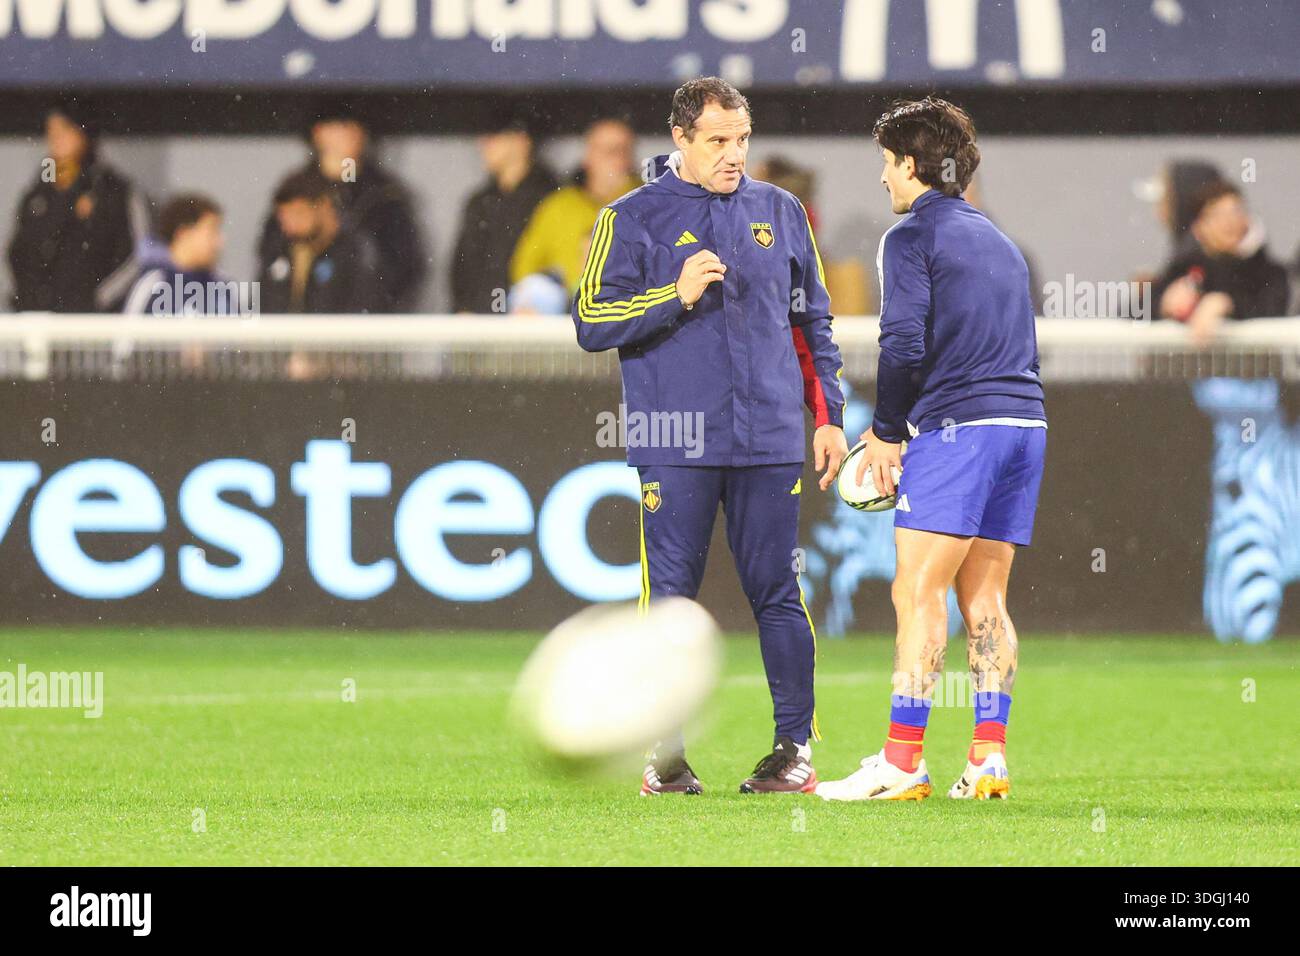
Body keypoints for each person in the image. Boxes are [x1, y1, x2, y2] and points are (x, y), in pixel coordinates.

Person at [571, 77, 848, 796]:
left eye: (742, 139)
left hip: (769, 439)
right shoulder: (629, 217)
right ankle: (665, 755)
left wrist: (830, 418)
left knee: (777, 592)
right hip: (674, 440)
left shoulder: (780, 211)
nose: (734, 155)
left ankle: (793, 751)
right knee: (669, 603)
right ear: (681, 141)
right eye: (718, 141)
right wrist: (675, 293)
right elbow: (590, 321)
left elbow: (811, 323)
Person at [816, 97, 1046, 803]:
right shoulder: (997, 239)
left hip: (960, 430)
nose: (883, 178)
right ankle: (987, 759)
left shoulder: (912, 236)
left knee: (917, 591)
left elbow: (904, 342)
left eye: (888, 162)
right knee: (987, 598)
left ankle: (902, 760)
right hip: (1024, 426)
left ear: (912, 165)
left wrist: (888, 431)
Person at [258, 103, 425, 312]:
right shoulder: (294, 190)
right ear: (316, 133)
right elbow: (270, 255)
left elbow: (404, 265)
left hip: (361, 323)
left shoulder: (384, 194)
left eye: (348, 127)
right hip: (298, 320)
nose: (342, 136)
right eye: (333, 127)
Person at [7, 99, 149, 313]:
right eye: (50, 131)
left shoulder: (115, 191)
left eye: (64, 129)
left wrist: (96, 301)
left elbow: (139, 257)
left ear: (84, 133)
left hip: (91, 328)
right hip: (36, 323)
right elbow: (13, 253)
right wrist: (22, 300)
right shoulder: (37, 193)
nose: (56, 138)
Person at [511, 117, 642, 299]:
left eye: (621, 150)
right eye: (605, 150)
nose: (614, 158)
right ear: (588, 155)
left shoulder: (650, 204)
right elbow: (524, 268)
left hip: (630, 310)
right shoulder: (558, 206)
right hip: (564, 316)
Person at [1153, 180, 1291, 344]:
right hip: (1189, 368)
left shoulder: (1270, 272)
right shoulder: (1183, 269)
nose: (1229, 222)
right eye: (1217, 214)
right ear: (1199, 227)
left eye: (1235, 212)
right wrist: (1164, 304)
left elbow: (1272, 310)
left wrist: (1227, 304)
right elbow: (1135, 310)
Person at [451, 114, 558, 314]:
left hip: (531, 323)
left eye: (494, 136)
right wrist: (463, 308)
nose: (483, 144)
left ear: (521, 142)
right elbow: (462, 269)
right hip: (479, 323)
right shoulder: (479, 202)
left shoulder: (551, 198)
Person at [258, 169, 382, 314]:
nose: (290, 225)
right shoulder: (279, 252)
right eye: (283, 218)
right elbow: (262, 307)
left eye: (299, 213)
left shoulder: (356, 254)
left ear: (324, 205)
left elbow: (364, 311)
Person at [122, 194, 235, 316]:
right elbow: (128, 333)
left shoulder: (223, 286)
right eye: (212, 230)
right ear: (184, 233)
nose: (220, 241)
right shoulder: (152, 285)